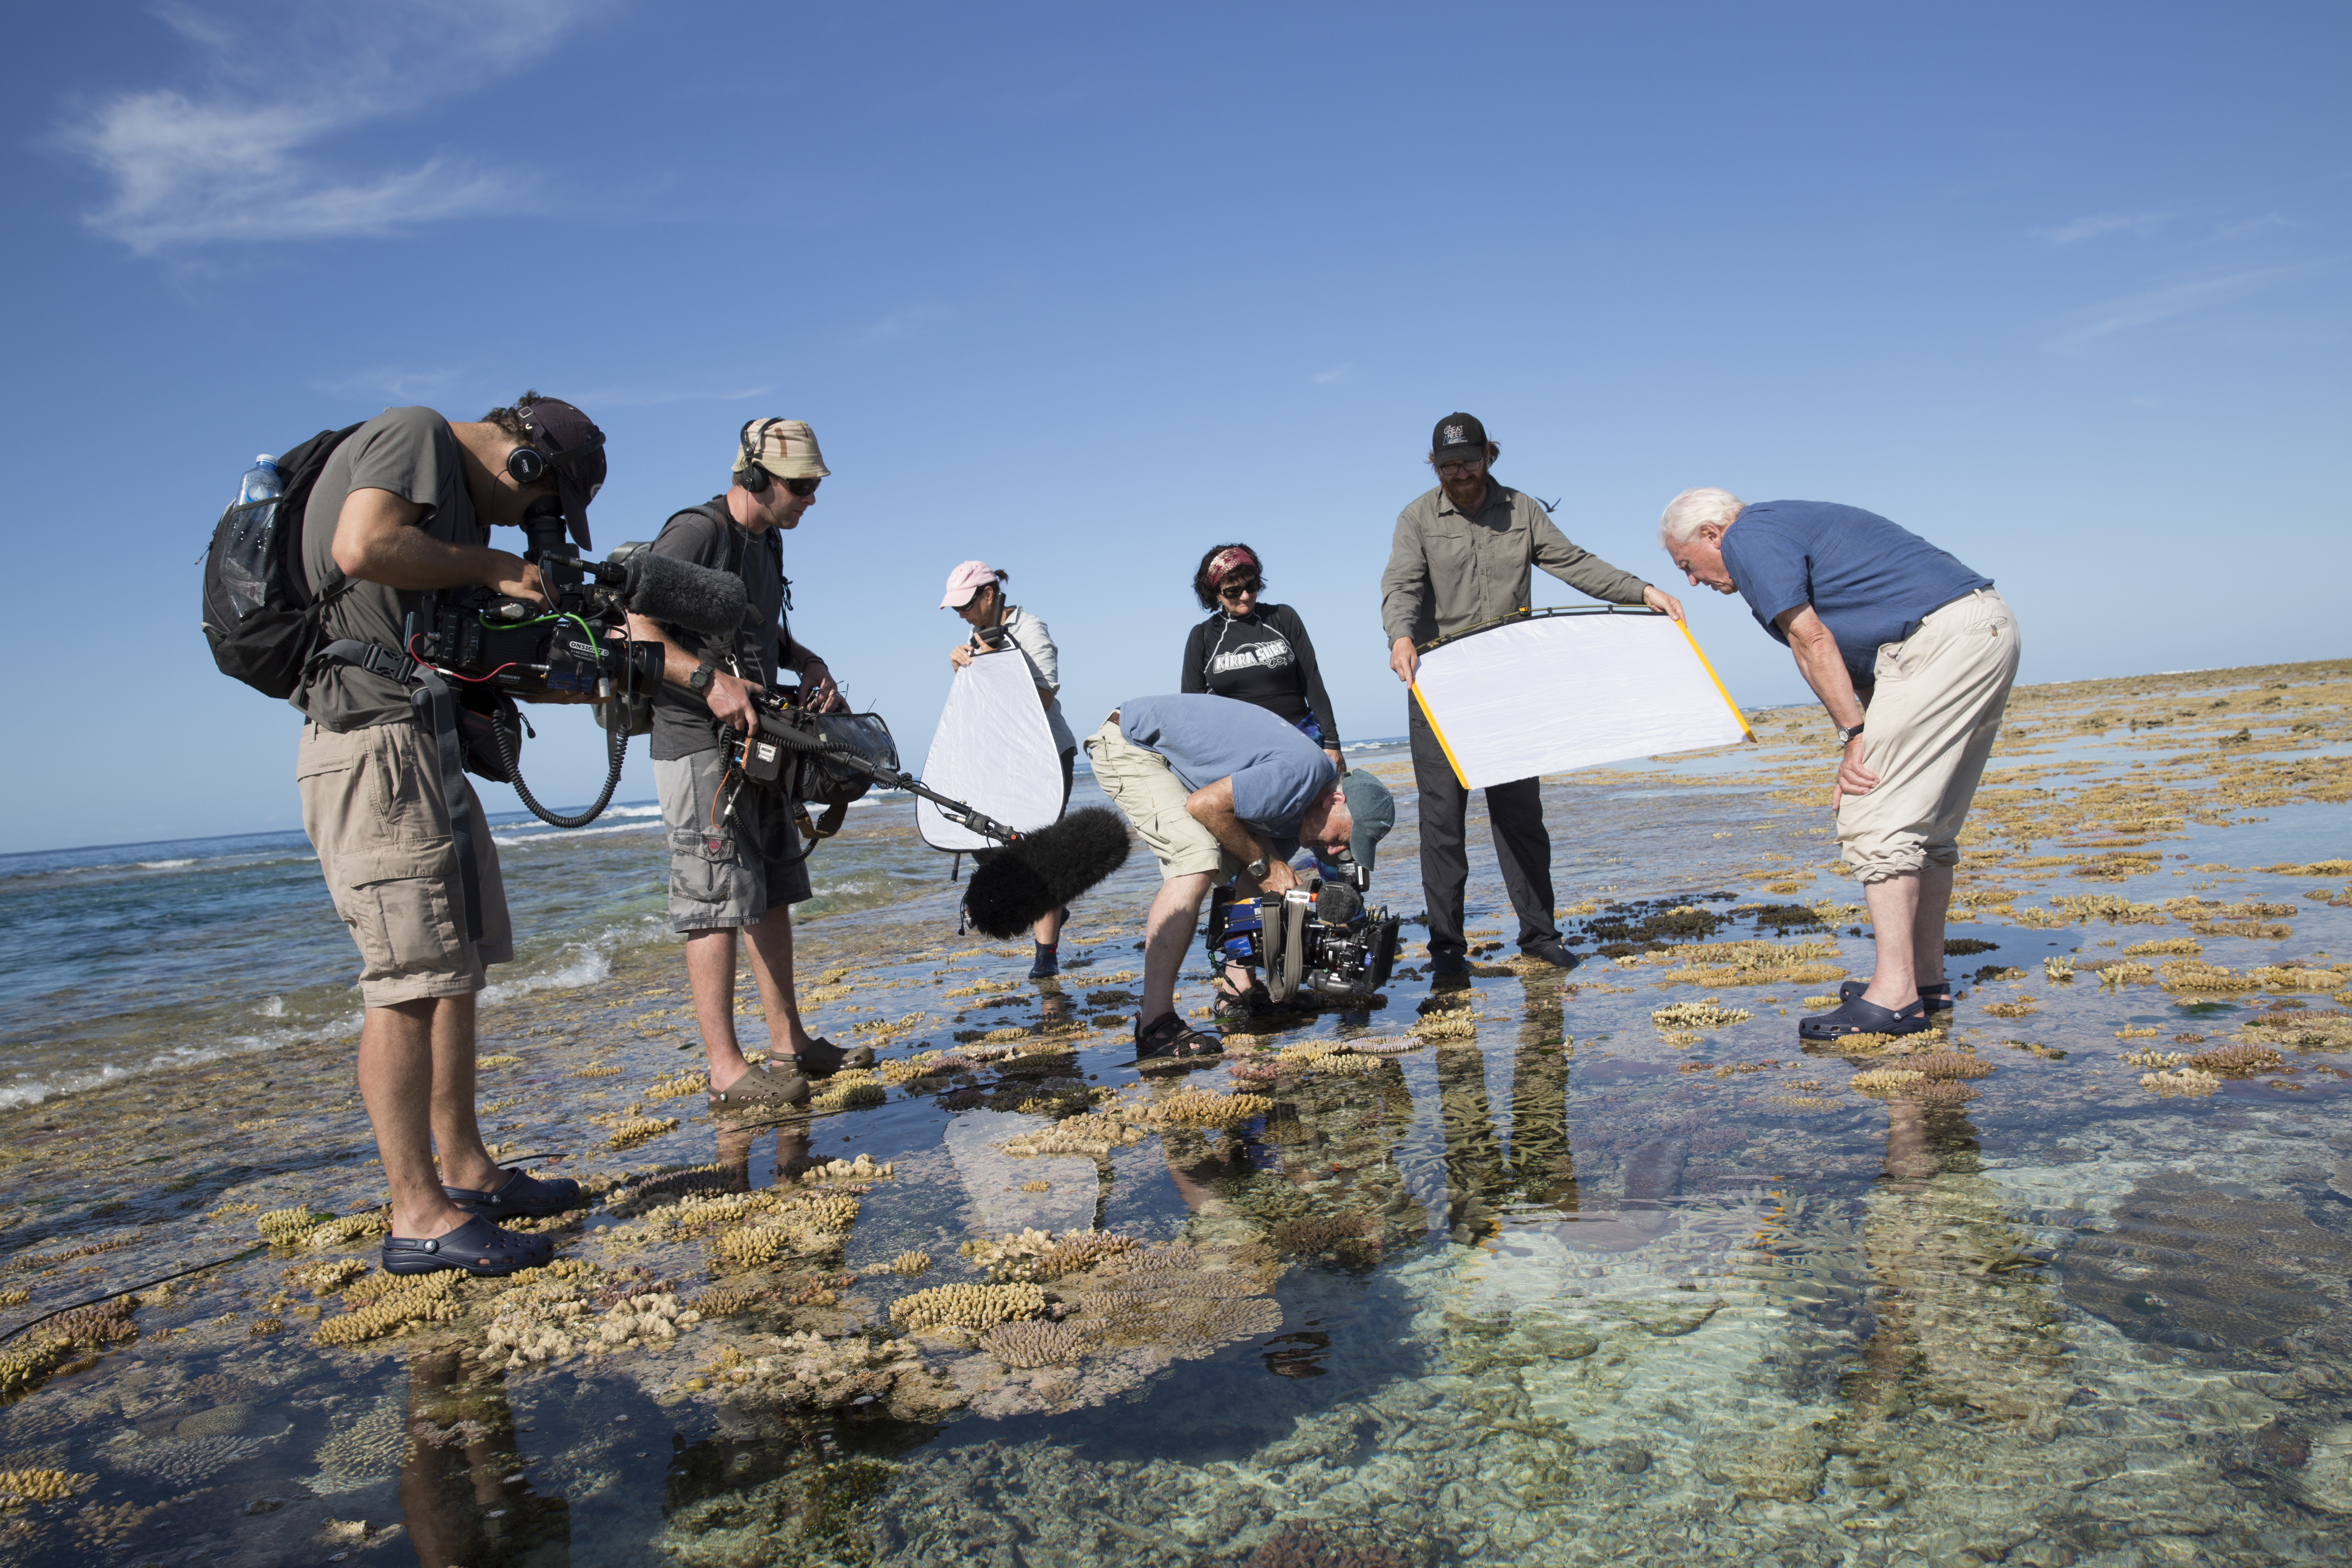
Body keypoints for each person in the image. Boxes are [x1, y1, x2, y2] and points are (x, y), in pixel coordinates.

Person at [294, 393, 605, 1276]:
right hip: (373, 749)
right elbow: (361, 545)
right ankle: (417, 1214)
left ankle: (465, 1172)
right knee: (407, 980)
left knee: (456, 962)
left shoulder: (452, 519)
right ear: (526, 463)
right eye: (543, 507)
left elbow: (470, 645)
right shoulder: (417, 434)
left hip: (421, 743)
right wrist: (500, 564)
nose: (534, 526)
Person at [1657, 488, 2018, 1039]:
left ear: (1711, 534)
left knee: (1874, 813)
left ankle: (1894, 999)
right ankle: (1925, 983)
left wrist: (1855, 737)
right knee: (1929, 823)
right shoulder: (1785, 524)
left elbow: (1811, 639)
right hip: (1981, 628)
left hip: (1941, 640)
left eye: (1686, 565)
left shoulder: (1748, 536)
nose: (1691, 580)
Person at [624, 419, 873, 1120]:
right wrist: (707, 682)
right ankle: (725, 1070)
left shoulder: (767, 543)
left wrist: (807, 659)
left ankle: (789, 1044)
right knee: (714, 901)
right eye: (801, 486)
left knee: (771, 891)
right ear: (757, 478)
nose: (810, 500)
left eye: (815, 487)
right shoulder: (696, 533)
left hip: (758, 743)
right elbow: (633, 624)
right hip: (698, 746)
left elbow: (761, 626)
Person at [1381, 412, 1684, 979]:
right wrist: (1399, 634)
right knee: (1442, 823)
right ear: (1435, 466)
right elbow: (1400, 584)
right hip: (1439, 689)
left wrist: (1640, 591)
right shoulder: (1417, 517)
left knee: (1520, 819)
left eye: (1468, 462)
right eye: (1447, 466)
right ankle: (1447, 947)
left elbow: (1572, 563)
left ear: (1488, 457)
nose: (1460, 474)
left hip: (1510, 690)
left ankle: (1539, 935)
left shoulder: (1521, 510)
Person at [1083, 694, 1395, 1060]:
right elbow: (1204, 805)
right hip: (1131, 744)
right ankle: (1155, 1023)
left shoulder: (1301, 812)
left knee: (1259, 864)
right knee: (1197, 857)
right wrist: (1265, 864)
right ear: (1335, 802)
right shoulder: (1299, 777)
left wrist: (1265, 868)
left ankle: (1237, 989)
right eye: (1343, 838)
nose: (1335, 851)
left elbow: (1254, 875)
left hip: (1175, 763)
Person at [940, 560, 1080, 978]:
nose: (960, 614)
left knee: (1038, 851)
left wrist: (1000, 659)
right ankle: (1050, 905)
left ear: (989, 594)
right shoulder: (975, 633)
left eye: (964, 604)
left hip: (1047, 757)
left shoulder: (1030, 629)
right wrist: (961, 668)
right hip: (1001, 760)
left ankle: (1046, 960)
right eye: (955, 609)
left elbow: (1044, 701)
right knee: (986, 844)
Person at [1180, 543, 1346, 777]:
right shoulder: (1203, 636)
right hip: (1240, 753)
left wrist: (1332, 742)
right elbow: (1193, 708)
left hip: (1302, 739)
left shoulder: (1283, 617)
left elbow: (1312, 680)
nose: (1246, 596)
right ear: (1216, 593)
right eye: (1233, 591)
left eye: (1252, 586)